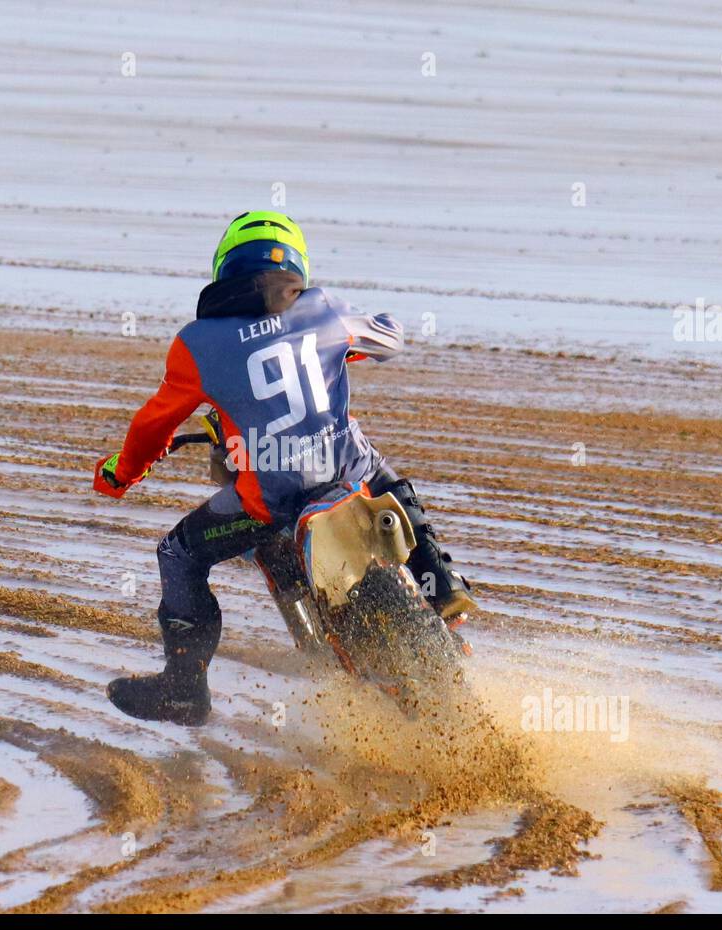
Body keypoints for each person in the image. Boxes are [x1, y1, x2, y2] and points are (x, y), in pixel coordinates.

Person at [93, 211, 473, 725]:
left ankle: (183, 689)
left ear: (224, 268)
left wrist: (123, 473)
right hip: (345, 475)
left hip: (269, 505)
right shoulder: (324, 310)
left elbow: (151, 425)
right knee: (371, 461)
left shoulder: (196, 343)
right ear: (297, 267)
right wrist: (344, 345)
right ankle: (439, 583)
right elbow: (389, 338)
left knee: (178, 554)